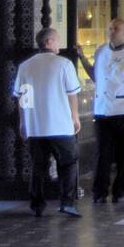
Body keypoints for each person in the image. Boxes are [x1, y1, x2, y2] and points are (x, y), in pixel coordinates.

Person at [15, 27, 83, 218]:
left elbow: (22, 97)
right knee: (68, 162)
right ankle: (67, 202)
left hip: (36, 126)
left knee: (38, 165)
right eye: (57, 39)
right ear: (49, 42)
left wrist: (23, 122)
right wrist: (75, 116)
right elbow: (72, 94)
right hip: (60, 125)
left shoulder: (25, 66)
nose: (59, 43)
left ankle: (37, 204)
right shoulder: (64, 64)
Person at [79, 18, 124, 204]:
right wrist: (83, 58)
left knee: (123, 154)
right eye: (110, 28)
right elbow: (95, 76)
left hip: (123, 110)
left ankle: (119, 191)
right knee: (102, 153)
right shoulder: (101, 51)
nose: (112, 31)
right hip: (102, 111)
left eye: (116, 29)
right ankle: (99, 191)